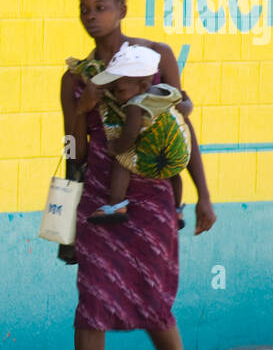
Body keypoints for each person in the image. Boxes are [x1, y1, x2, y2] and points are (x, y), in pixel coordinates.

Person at [55, 0, 216, 350]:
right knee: (92, 300)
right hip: (101, 201)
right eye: (84, 7)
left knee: (153, 297)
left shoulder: (156, 56)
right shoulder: (75, 78)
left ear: (122, 8)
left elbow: (181, 130)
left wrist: (202, 193)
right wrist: (67, 219)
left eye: (101, 6)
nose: (91, 15)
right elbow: (73, 149)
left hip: (152, 198)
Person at [77, 43, 191, 225]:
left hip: (152, 156)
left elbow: (129, 136)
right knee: (174, 174)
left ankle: (115, 205)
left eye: (119, 90)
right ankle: (176, 210)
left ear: (144, 85)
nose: (117, 96)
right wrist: (186, 105)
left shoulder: (135, 106)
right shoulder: (165, 90)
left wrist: (115, 147)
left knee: (122, 162)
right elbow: (185, 107)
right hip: (179, 154)